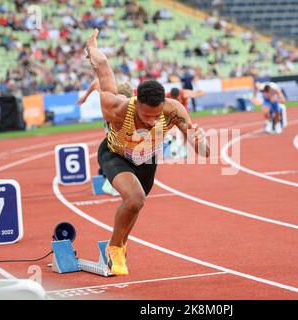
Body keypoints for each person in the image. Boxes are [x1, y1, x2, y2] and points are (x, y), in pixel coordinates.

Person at [85, 29, 210, 276]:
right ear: (136, 103)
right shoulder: (117, 109)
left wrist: (201, 142)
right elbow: (103, 70)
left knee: (135, 206)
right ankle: (114, 248)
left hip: (147, 160)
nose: (152, 122)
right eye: (146, 116)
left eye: (156, 115)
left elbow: (203, 152)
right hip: (115, 155)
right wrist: (92, 48)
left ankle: (121, 242)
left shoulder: (174, 110)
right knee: (135, 198)